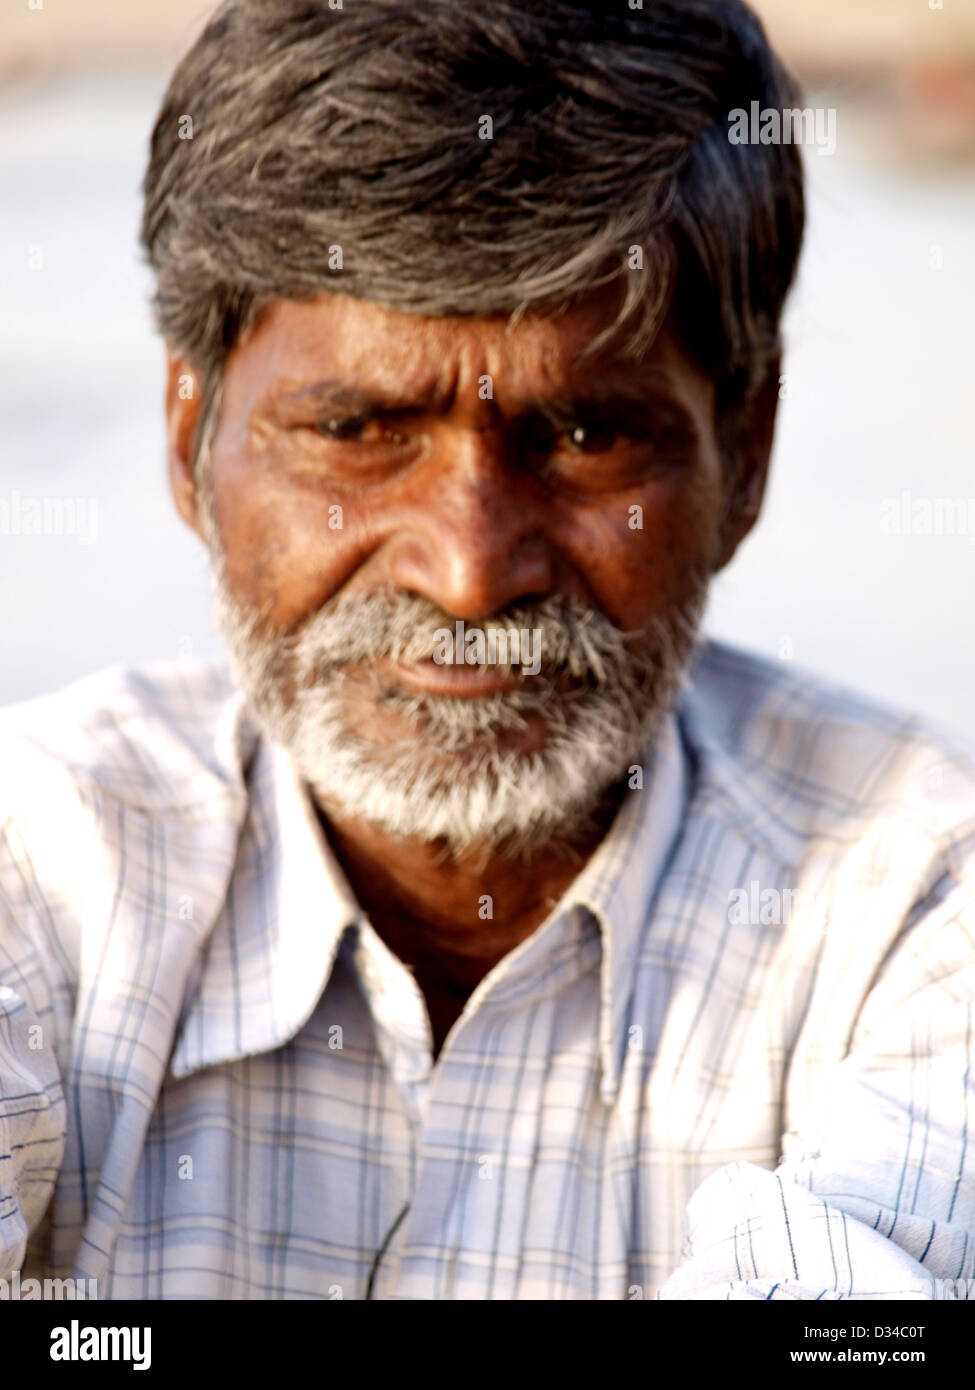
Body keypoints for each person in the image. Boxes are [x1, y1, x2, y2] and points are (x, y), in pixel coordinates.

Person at [2, 0, 973, 1301]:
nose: (467, 570)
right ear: (191, 437)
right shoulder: (41, 874)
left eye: (584, 439)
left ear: (746, 452)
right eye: (355, 430)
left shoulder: (917, 907)